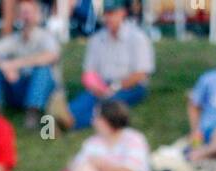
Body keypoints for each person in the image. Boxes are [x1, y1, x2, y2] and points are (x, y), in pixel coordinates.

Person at [66, 0, 154, 130]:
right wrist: (96, 86)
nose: (108, 18)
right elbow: (89, 72)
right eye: (106, 14)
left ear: (122, 13)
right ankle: (55, 123)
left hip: (130, 86)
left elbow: (141, 74)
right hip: (101, 84)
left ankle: (69, 125)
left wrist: (114, 87)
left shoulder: (137, 37)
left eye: (112, 13)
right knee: (80, 103)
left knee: (106, 107)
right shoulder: (97, 39)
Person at [0, 0, 59, 129]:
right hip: (19, 87)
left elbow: (51, 56)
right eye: (22, 13)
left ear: (37, 15)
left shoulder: (46, 36)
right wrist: (3, 65)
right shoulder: (14, 38)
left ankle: (33, 111)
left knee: (43, 69)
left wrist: (14, 64)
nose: (25, 17)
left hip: (44, 90)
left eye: (28, 13)